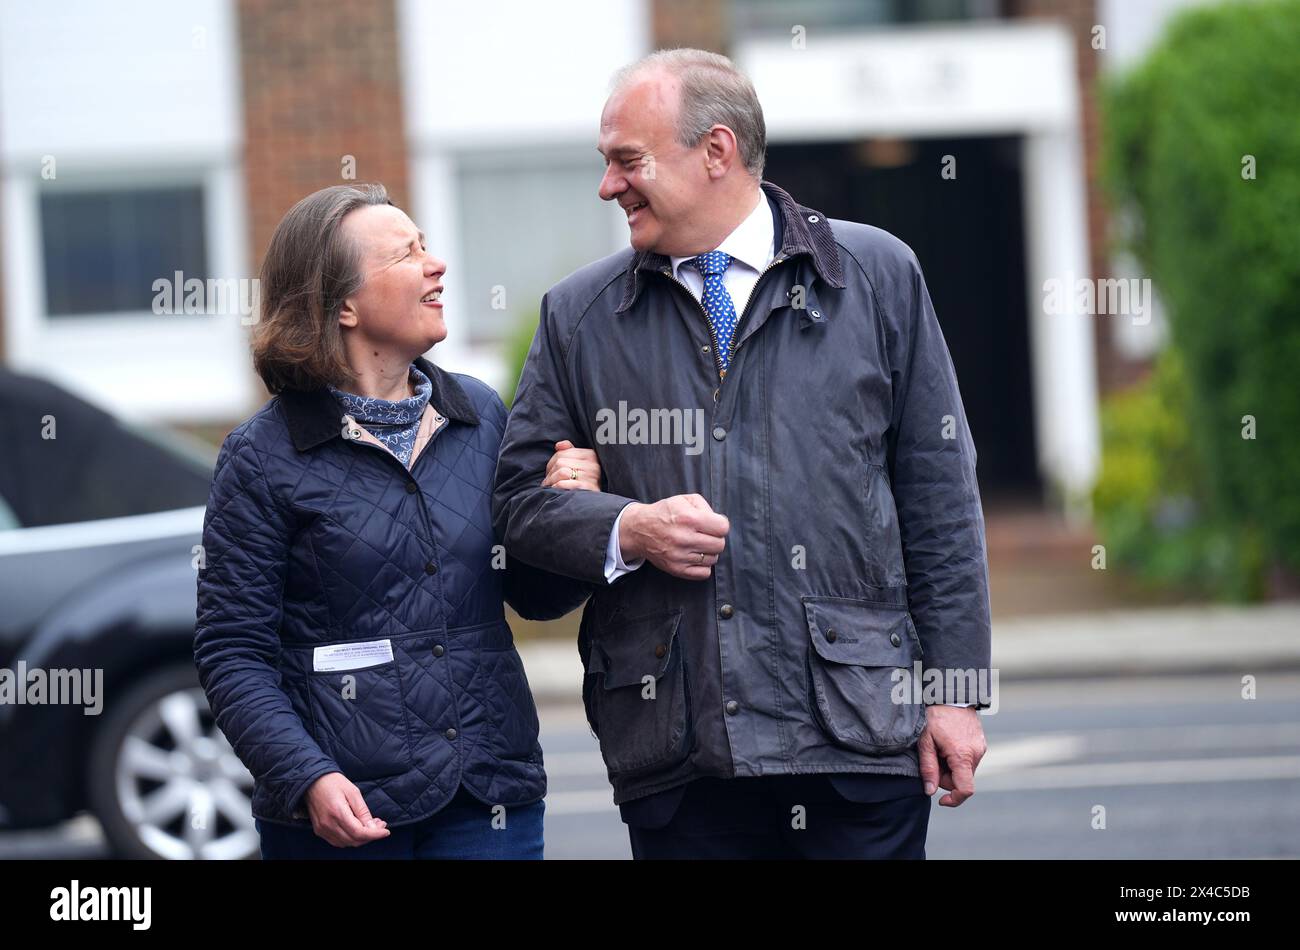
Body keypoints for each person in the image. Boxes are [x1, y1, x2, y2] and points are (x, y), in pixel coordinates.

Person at [494, 49, 992, 859]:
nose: (608, 185)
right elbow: (517, 510)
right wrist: (624, 528)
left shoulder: (875, 274)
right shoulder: (578, 316)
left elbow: (938, 494)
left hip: (858, 738)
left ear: (716, 151)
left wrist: (956, 695)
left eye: (627, 161)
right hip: (681, 754)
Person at [194, 183, 599, 859]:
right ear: (343, 303)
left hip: (487, 793)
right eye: (406, 254)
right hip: (343, 813)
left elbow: (533, 594)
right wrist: (305, 776)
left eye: (428, 247)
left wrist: (569, 517)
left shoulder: (480, 414)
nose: (436, 264)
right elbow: (233, 652)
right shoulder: (261, 457)